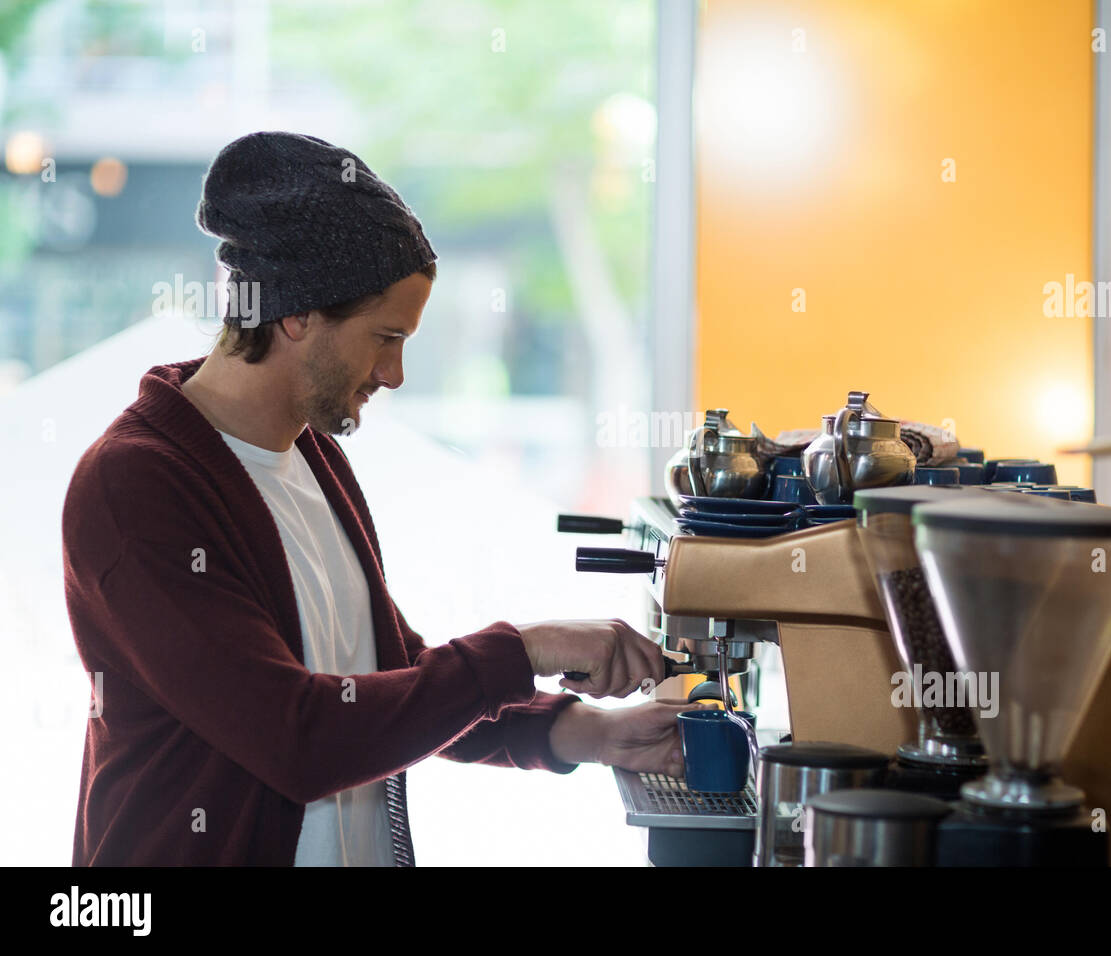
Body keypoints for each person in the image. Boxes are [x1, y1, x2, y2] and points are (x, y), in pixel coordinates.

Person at [62, 131, 697, 866]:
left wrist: (591, 732)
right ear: (296, 312)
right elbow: (297, 737)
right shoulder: (137, 486)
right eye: (384, 337)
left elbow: (385, 674)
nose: (394, 373)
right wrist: (520, 649)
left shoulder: (312, 453)